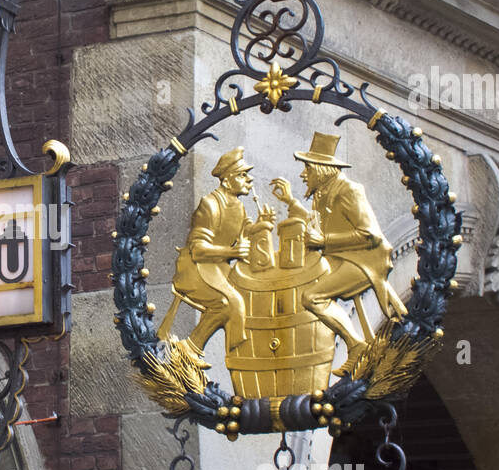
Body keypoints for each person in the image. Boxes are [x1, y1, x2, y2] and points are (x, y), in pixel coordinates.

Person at [270, 132, 406, 359]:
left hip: (364, 262)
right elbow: (316, 225)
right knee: (296, 281)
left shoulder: (349, 190)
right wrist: (291, 201)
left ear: (321, 170)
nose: (304, 175)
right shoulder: (322, 193)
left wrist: (324, 241)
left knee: (311, 297)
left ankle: (355, 346)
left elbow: (369, 234)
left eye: (308, 169)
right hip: (339, 258)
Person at [157, 147, 255, 359]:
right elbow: (198, 250)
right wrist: (232, 251)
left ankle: (246, 355)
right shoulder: (210, 205)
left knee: (254, 297)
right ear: (228, 180)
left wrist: (261, 226)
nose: (250, 179)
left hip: (220, 272)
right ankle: (191, 348)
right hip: (196, 271)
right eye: (243, 175)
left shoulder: (238, 206)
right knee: (230, 303)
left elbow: (243, 231)